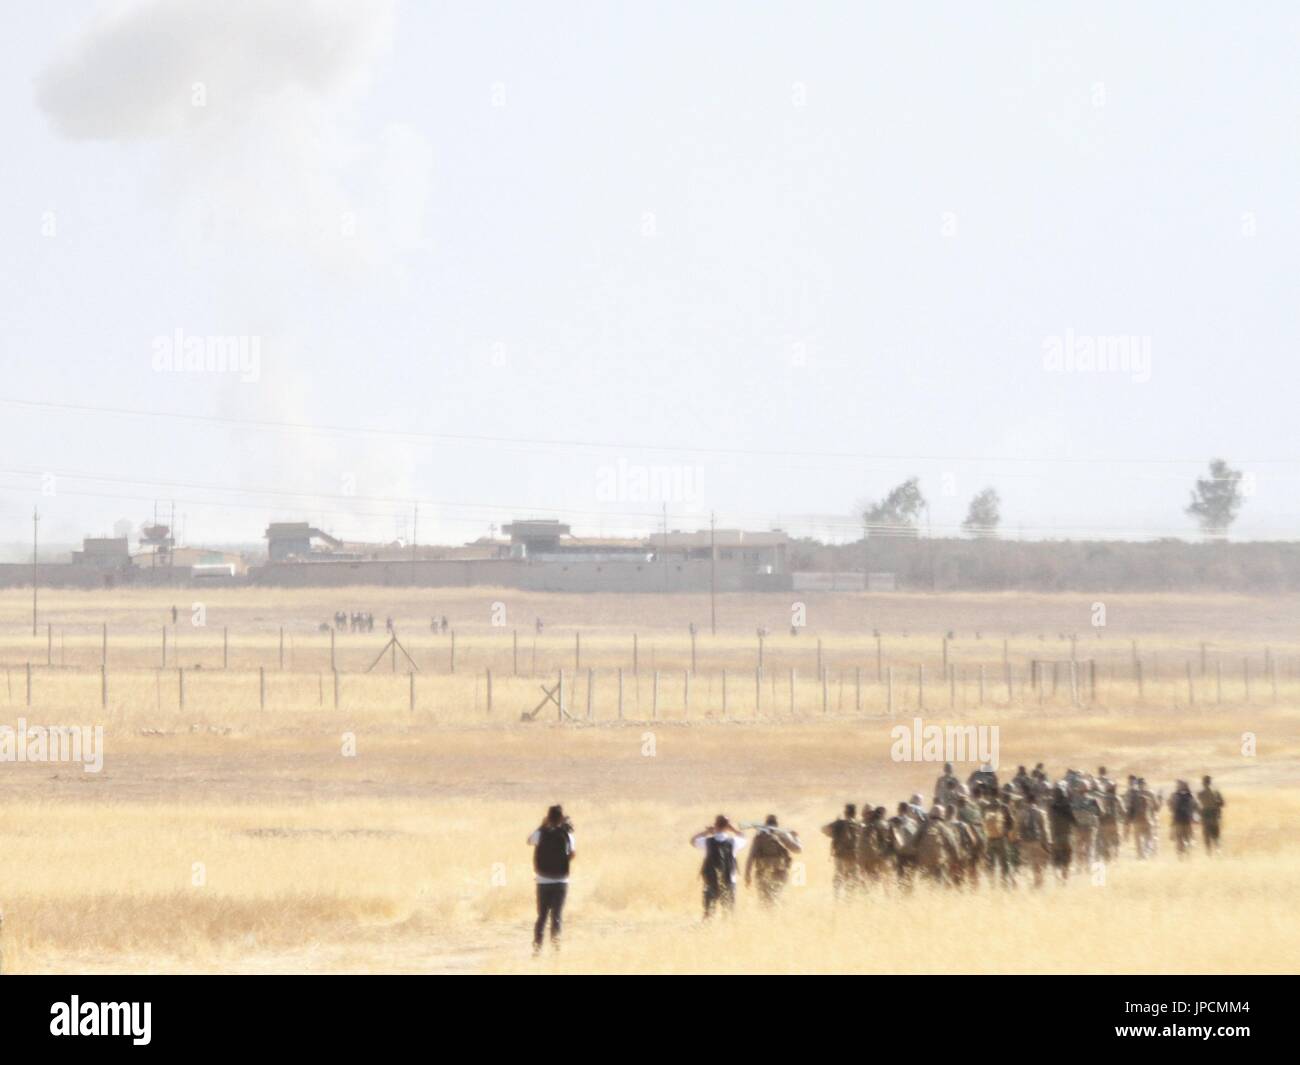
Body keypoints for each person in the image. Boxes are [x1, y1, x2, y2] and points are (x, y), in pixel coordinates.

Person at [527, 805, 575, 953]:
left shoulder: (541, 833)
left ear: (548, 816)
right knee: (557, 916)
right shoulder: (567, 834)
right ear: (561, 818)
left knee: (542, 916)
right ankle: (556, 949)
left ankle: (537, 948)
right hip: (561, 881)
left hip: (543, 880)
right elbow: (572, 854)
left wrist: (542, 826)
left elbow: (529, 841)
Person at [693, 815, 747, 917]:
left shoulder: (707, 841)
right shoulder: (734, 842)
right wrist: (733, 830)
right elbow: (744, 838)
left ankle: (707, 931)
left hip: (710, 880)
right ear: (727, 826)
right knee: (728, 912)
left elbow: (693, 840)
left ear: (715, 825)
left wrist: (707, 832)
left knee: (708, 913)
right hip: (729, 880)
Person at [744, 815, 801, 905]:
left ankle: (765, 917)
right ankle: (776, 916)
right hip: (780, 873)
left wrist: (747, 876)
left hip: (762, 873)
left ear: (766, 823)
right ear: (777, 824)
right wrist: (796, 837)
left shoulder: (759, 836)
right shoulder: (783, 834)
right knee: (776, 897)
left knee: (763, 901)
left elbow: (750, 857)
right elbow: (798, 850)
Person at [822, 804, 861, 897]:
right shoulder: (859, 824)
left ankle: (837, 897)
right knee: (852, 877)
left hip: (840, 855)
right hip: (854, 855)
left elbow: (823, 829)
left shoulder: (839, 823)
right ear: (854, 813)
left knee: (838, 876)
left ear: (845, 812)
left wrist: (834, 833)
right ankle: (850, 898)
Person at [1170, 780, 1199, 857]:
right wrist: (1195, 818)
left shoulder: (1174, 796)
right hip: (1187, 821)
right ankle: (1188, 854)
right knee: (1188, 838)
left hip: (1178, 821)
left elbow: (1171, 807)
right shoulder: (1190, 796)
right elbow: (1196, 807)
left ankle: (1180, 855)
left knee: (1179, 839)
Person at [1198, 776, 1225, 854]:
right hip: (1214, 816)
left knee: (1206, 837)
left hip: (1205, 816)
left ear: (1203, 783)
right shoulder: (1216, 792)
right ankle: (1218, 851)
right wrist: (1215, 804)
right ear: (1210, 782)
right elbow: (1222, 803)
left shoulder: (1200, 793)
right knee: (1216, 836)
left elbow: (1197, 805)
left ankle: (1209, 853)